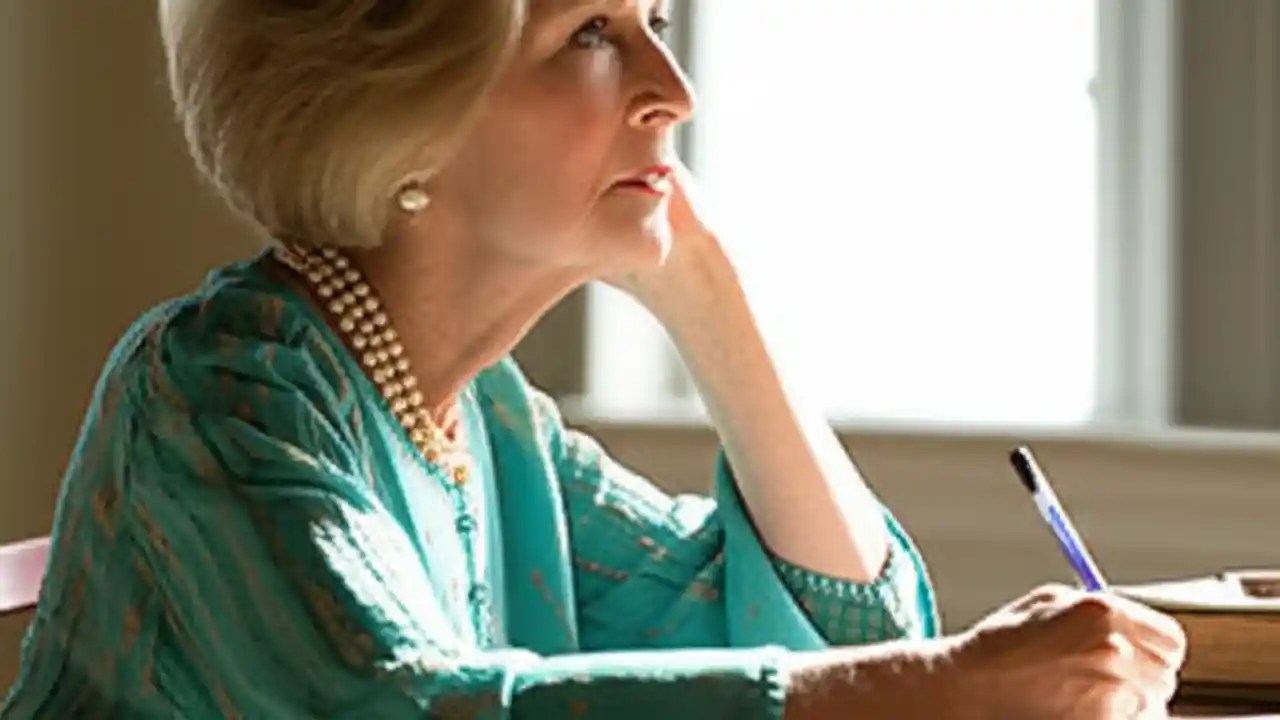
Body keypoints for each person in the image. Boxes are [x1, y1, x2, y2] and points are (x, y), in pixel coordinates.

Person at [1, 1, 1185, 717]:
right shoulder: (223, 393)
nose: (675, 93)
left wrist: (710, 291)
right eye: (590, 35)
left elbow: (849, 642)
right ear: (403, 109)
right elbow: (416, 711)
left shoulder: (480, 417)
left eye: (655, 27)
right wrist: (948, 688)